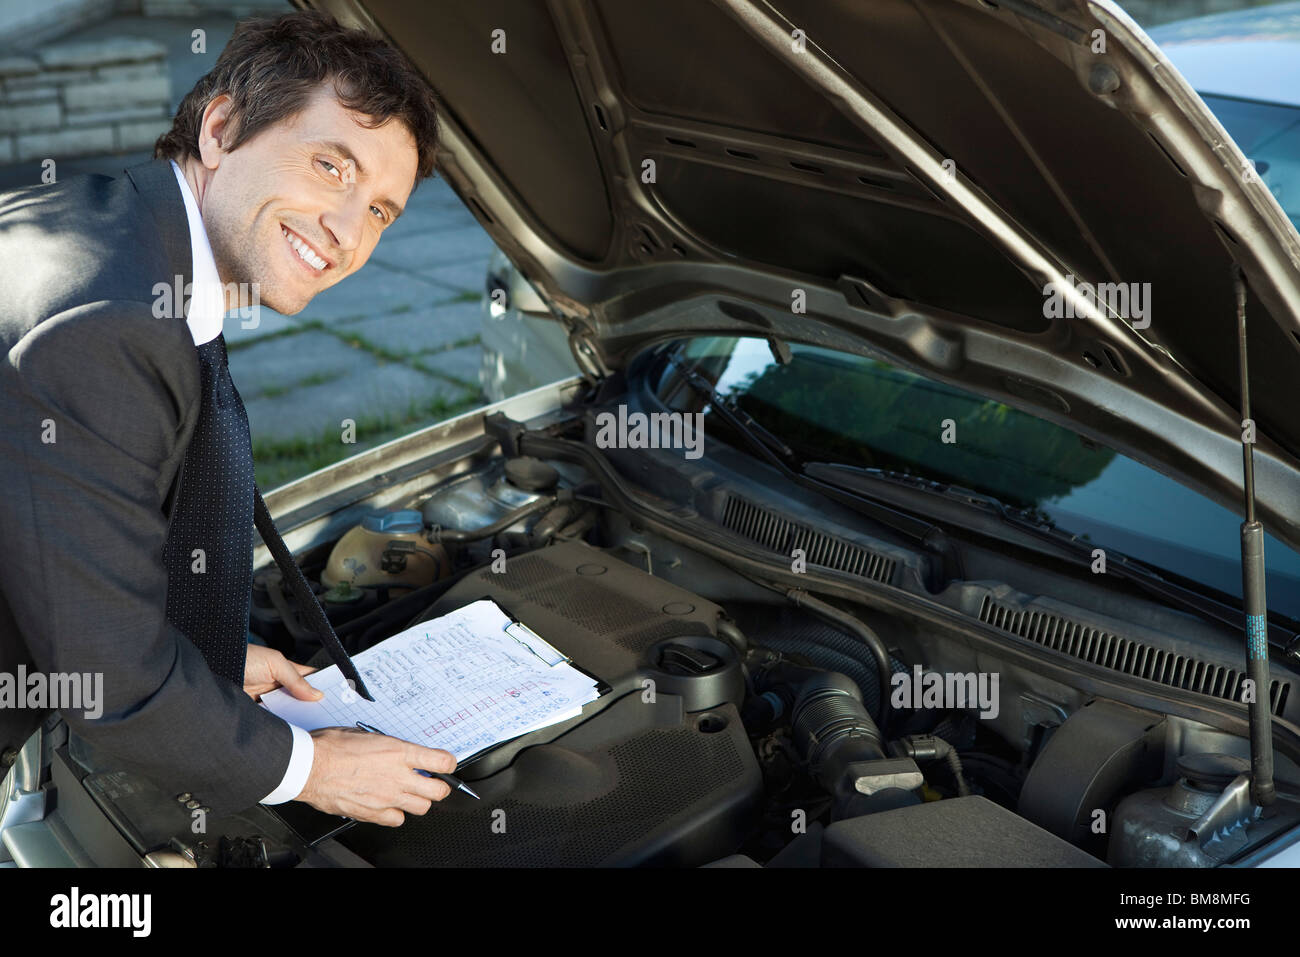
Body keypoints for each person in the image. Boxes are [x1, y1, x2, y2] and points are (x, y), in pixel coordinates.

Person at [0, 11, 455, 828]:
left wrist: (199, 657)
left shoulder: (126, 230)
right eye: (329, 165)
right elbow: (109, 680)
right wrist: (310, 768)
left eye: (381, 212)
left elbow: (58, 534)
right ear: (221, 127)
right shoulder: (109, 322)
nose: (348, 232)